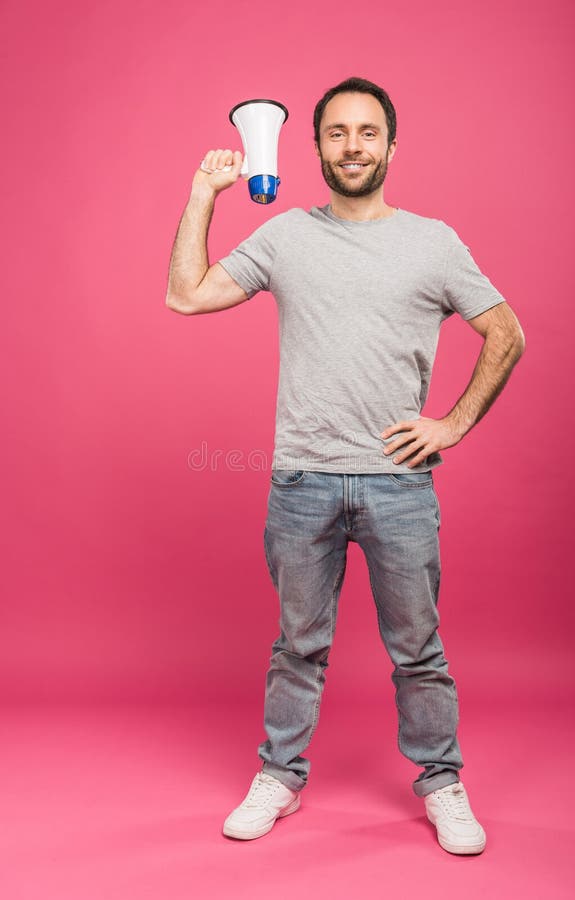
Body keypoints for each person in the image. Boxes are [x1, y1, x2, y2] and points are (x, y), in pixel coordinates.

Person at [166, 76, 525, 855]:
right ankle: (280, 775)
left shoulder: (433, 242)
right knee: (298, 643)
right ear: (316, 147)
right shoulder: (286, 236)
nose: (352, 145)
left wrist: (451, 424)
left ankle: (440, 782)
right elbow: (185, 296)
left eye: (367, 132)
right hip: (301, 482)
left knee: (418, 649)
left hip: (399, 484)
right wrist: (204, 193)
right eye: (336, 133)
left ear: (391, 147)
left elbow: (507, 334)